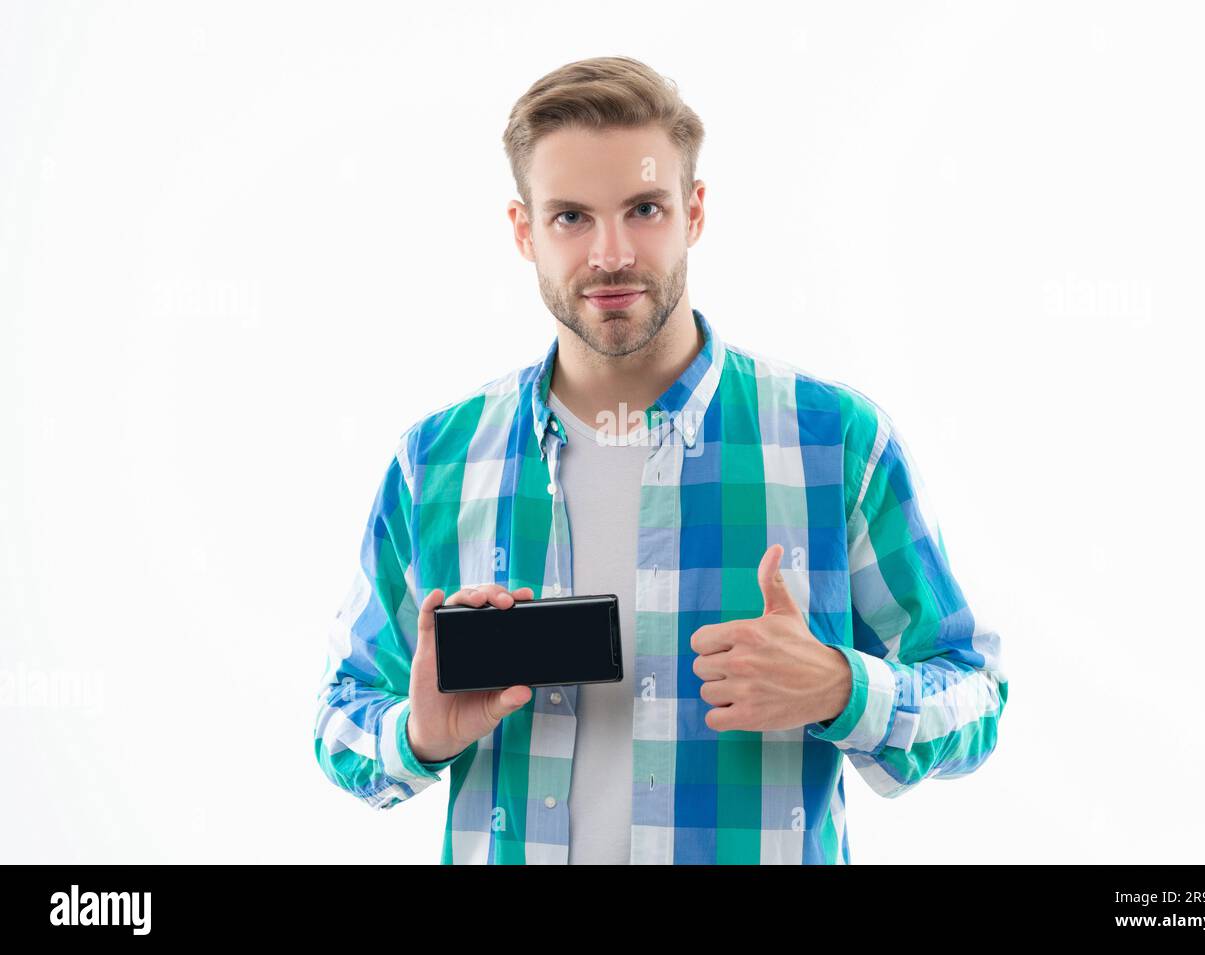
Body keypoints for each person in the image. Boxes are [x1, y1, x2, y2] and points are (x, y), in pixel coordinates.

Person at [313, 55, 1008, 864]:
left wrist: (842, 688)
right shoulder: (435, 462)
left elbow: (975, 697)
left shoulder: (837, 442)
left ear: (695, 212)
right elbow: (340, 715)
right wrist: (419, 733)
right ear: (523, 230)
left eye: (643, 208)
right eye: (571, 217)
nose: (611, 255)